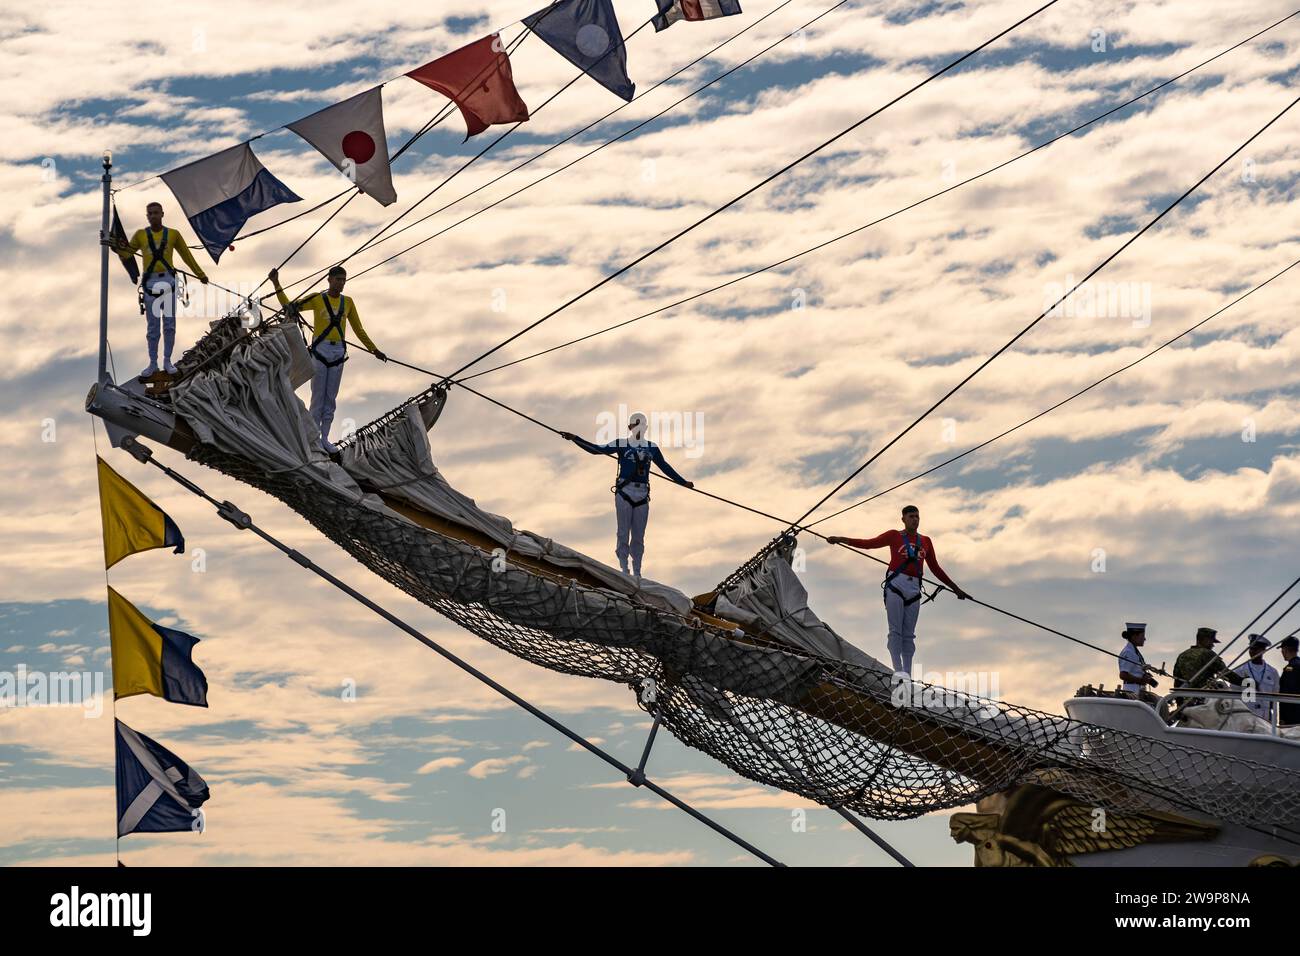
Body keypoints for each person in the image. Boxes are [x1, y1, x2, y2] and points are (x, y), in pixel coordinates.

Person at [826, 505, 968, 675]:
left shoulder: (926, 541)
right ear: (903, 519)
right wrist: (841, 539)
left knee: (909, 635)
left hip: (914, 589)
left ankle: (907, 674)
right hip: (896, 585)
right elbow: (869, 544)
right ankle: (898, 670)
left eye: (917, 516)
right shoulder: (894, 536)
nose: (915, 520)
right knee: (895, 631)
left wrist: (956, 589)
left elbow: (936, 568)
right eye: (911, 516)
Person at [560, 412, 693, 581]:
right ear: (630, 427)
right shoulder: (621, 444)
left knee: (638, 536)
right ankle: (624, 568)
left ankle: (637, 571)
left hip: (642, 494)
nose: (637, 428)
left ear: (645, 428)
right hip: (625, 491)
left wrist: (683, 482)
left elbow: (665, 467)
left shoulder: (651, 447)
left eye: (641, 425)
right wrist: (575, 438)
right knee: (623, 533)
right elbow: (596, 450)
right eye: (634, 425)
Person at [269, 266, 386, 454]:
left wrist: (374, 350)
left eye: (344, 280)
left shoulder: (347, 302)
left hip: (338, 352)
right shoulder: (317, 299)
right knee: (318, 397)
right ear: (329, 279)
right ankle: (313, 437)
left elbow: (358, 329)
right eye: (338, 279)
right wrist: (276, 283)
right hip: (320, 351)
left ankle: (324, 438)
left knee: (330, 398)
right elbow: (289, 306)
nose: (341, 283)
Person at [114, 202, 209, 377]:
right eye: (149, 213)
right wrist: (113, 244)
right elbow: (127, 254)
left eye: (156, 213)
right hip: (150, 284)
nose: (153, 216)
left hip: (168, 282)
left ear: (162, 214)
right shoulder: (141, 235)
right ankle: (152, 363)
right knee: (152, 328)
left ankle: (167, 360)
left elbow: (186, 255)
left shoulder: (173, 234)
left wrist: (200, 274)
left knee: (169, 325)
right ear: (146, 216)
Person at [1172, 626, 1242, 690]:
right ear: (1204, 639)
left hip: (1185, 697)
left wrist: (1179, 699)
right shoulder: (1208, 654)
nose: (1213, 645)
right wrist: (1244, 682)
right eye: (1211, 641)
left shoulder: (1182, 655)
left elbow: (1177, 679)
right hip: (1204, 696)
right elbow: (1225, 673)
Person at [1233, 635, 1280, 721]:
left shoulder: (1273, 672)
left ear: (1263, 650)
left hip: (1266, 718)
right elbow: (1234, 697)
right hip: (1245, 718)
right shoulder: (1240, 671)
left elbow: (1275, 699)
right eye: (1251, 649)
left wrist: (1275, 720)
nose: (1252, 651)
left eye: (1256, 649)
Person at [1118, 622, 1159, 699]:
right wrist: (1141, 680)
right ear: (1134, 636)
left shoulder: (1133, 651)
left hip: (1137, 690)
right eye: (1142, 636)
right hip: (1132, 691)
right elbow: (1123, 675)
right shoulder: (1128, 652)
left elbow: (1135, 671)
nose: (1144, 639)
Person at [1278, 635, 1299, 725]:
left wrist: (1283, 718)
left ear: (1285, 649)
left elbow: (1286, 693)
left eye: (1282, 650)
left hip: (1292, 717)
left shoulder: (1290, 668)